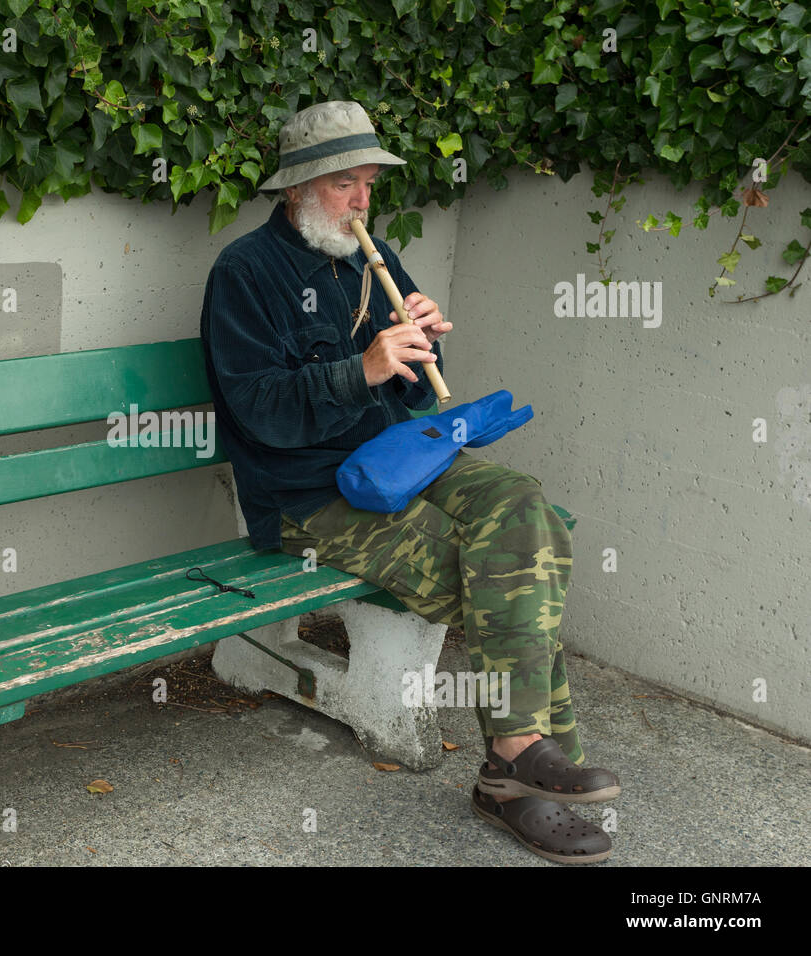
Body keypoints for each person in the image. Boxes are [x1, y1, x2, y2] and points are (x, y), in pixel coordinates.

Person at [199, 100, 620, 864]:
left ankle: (518, 762)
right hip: (308, 496)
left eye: (369, 183)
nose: (363, 201)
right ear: (295, 188)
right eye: (344, 185)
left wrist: (418, 352)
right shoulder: (244, 274)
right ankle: (518, 773)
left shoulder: (370, 259)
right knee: (520, 571)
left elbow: (421, 399)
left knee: (527, 510)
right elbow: (258, 412)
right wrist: (361, 368)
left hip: (402, 462)